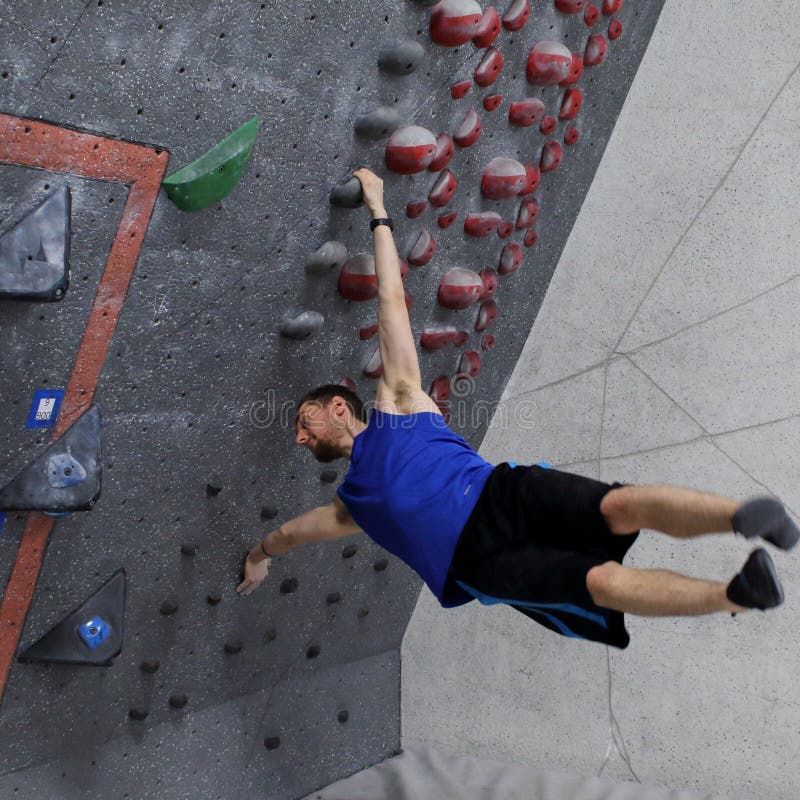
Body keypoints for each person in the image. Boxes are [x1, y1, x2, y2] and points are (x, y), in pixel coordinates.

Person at [236, 167, 797, 648]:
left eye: (303, 425)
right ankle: (735, 596)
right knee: (598, 584)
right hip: (476, 564)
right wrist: (261, 552)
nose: (299, 438)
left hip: (503, 493)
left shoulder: (399, 401)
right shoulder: (351, 504)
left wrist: (380, 210)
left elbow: (390, 304)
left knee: (619, 505)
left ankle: (742, 516)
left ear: (338, 407)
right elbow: (294, 534)